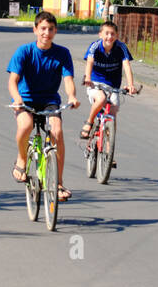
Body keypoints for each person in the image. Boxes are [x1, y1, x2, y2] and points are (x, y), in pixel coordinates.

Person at [8, 10, 80, 202]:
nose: (46, 33)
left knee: (57, 132)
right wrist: (17, 99)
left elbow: (68, 79)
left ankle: (58, 183)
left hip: (50, 100)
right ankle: (22, 159)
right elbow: (13, 81)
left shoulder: (62, 53)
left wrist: (72, 97)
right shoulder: (24, 51)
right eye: (42, 29)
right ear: (35, 30)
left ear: (55, 31)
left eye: (50, 29)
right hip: (25, 99)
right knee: (26, 125)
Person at [80, 20, 138, 144]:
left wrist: (131, 85)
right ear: (100, 34)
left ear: (116, 36)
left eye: (112, 34)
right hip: (95, 84)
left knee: (112, 115)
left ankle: (108, 151)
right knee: (101, 99)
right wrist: (88, 78)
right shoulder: (95, 46)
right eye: (106, 33)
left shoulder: (121, 47)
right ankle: (89, 122)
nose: (109, 37)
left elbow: (126, 65)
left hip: (113, 87)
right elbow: (90, 61)